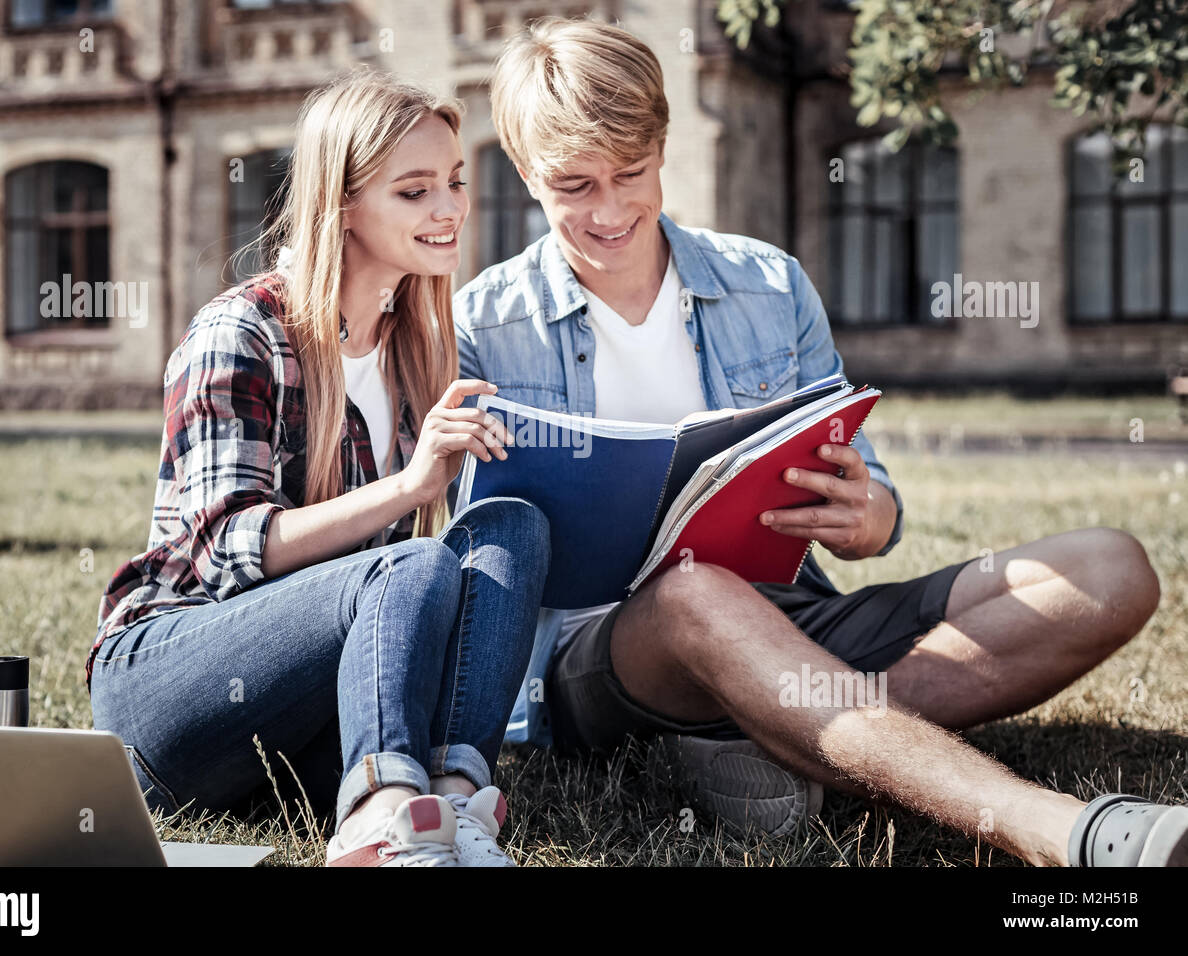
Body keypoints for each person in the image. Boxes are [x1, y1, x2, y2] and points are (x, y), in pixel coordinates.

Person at [452, 17, 1184, 867]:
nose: (610, 210)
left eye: (632, 173)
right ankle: (1050, 826)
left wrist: (866, 514)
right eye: (574, 185)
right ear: (525, 172)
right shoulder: (480, 326)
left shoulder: (766, 282)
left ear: (662, 148)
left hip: (792, 617)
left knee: (1108, 570)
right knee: (694, 592)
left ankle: (788, 734)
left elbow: (872, 501)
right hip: (600, 659)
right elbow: (465, 546)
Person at [88, 69, 550, 867]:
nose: (449, 210)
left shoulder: (419, 349)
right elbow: (231, 551)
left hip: (301, 724)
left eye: (454, 182)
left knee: (513, 530)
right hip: (172, 694)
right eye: (414, 192)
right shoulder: (242, 331)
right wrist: (407, 489)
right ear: (342, 207)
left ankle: (452, 801)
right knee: (402, 565)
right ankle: (381, 817)